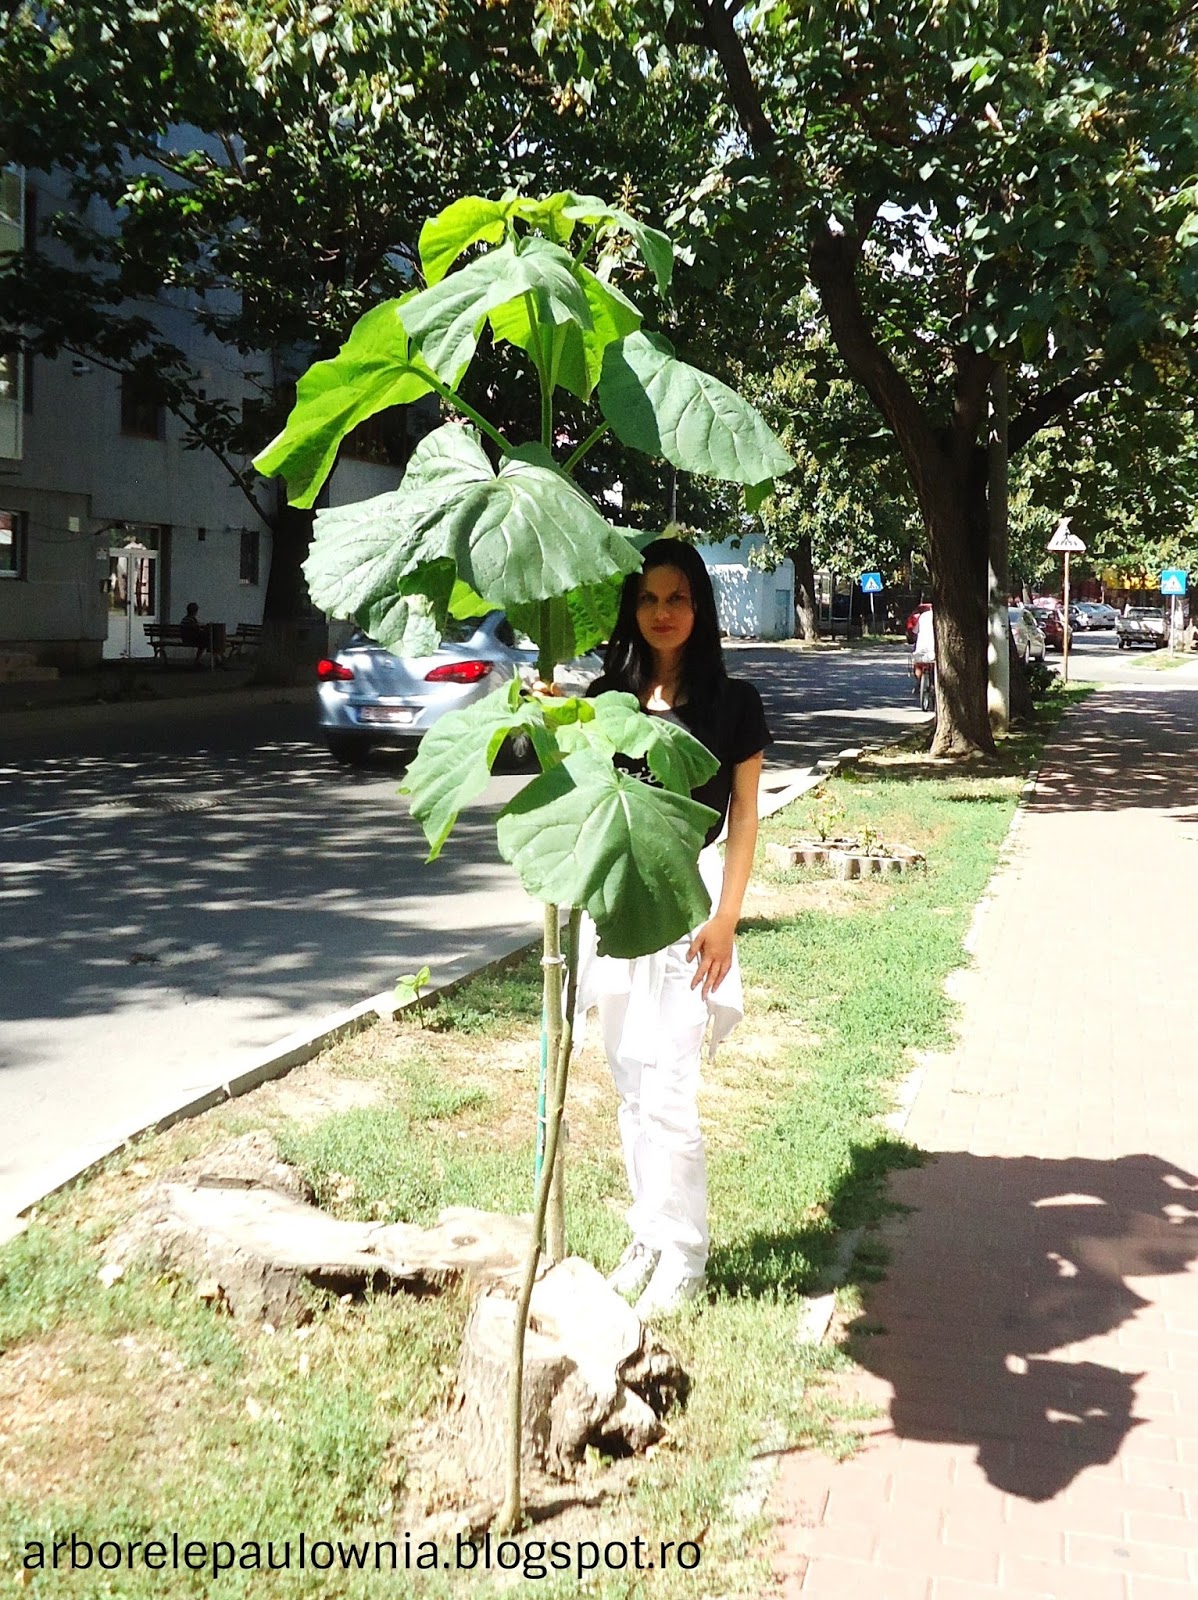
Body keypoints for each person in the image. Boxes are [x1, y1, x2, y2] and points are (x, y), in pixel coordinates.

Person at [576, 538, 772, 1320]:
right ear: (633, 608)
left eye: (678, 598)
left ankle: (686, 1250)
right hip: (616, 913)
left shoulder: (734, 703)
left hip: (690, 921)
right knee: (628, 1084)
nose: (663, 613)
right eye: (650, 599)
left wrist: (726, 918)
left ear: (700, 609)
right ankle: (649, 1232)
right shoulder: (607, 698)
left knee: (671, 1090)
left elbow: (747, 815)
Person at [179, 601, 224, 667]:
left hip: (185, 639)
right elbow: (197, 629)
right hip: (191, 640)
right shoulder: (191, 620)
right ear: (195, 611)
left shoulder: (184, 620)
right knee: (210, 641)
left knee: (207, 641)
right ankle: (217, 658)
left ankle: (215, 657)